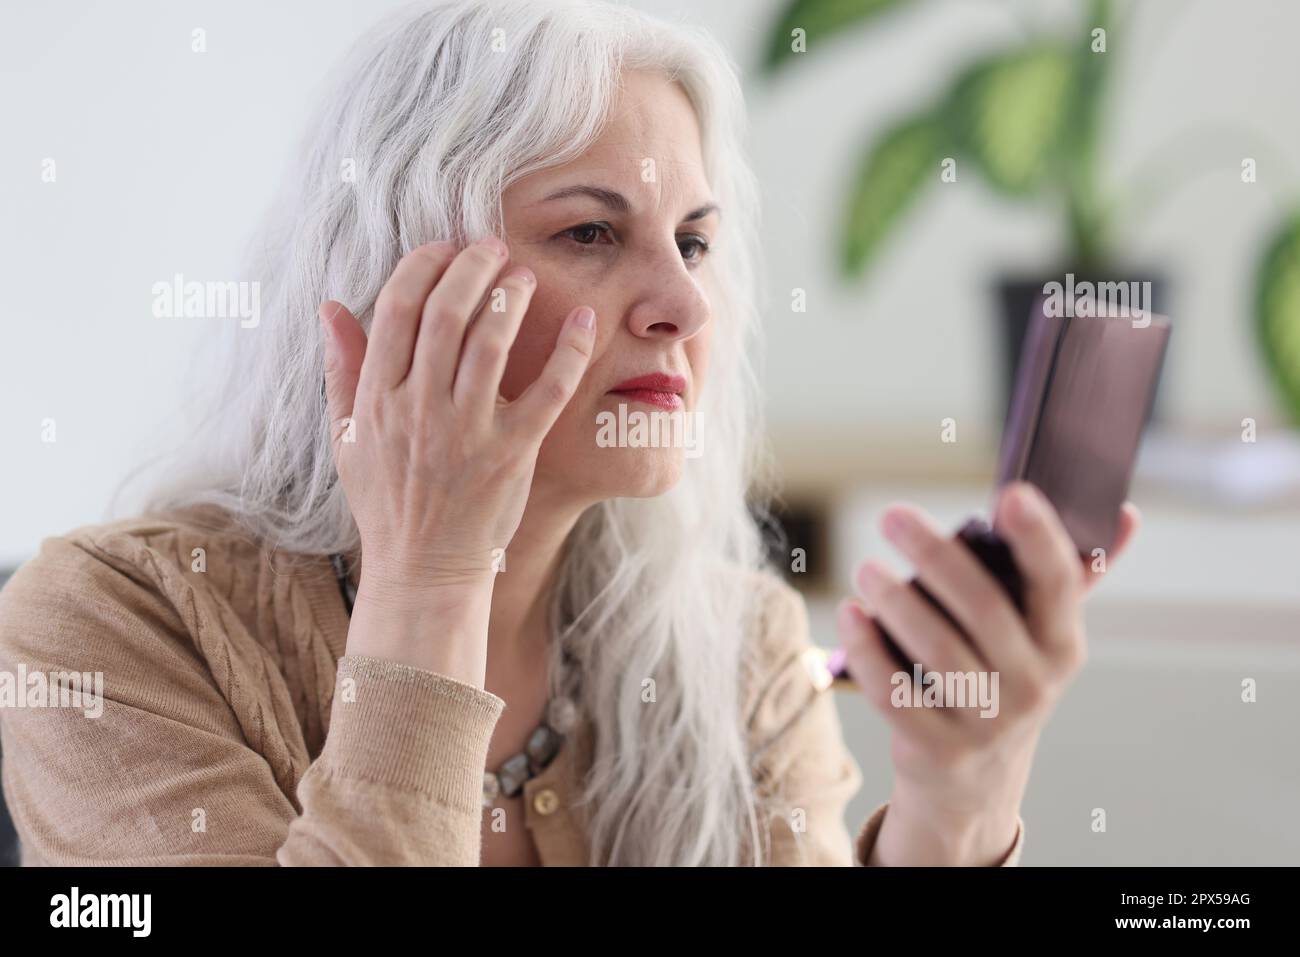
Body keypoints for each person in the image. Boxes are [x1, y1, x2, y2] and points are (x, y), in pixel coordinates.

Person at [0, 0, 1136, 866]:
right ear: (396, 278)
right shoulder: (103, 628)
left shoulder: (738, 652)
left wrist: (960, 796)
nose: (685, 307)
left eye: (693, 243)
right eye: (591, 232)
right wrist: (436, 574)